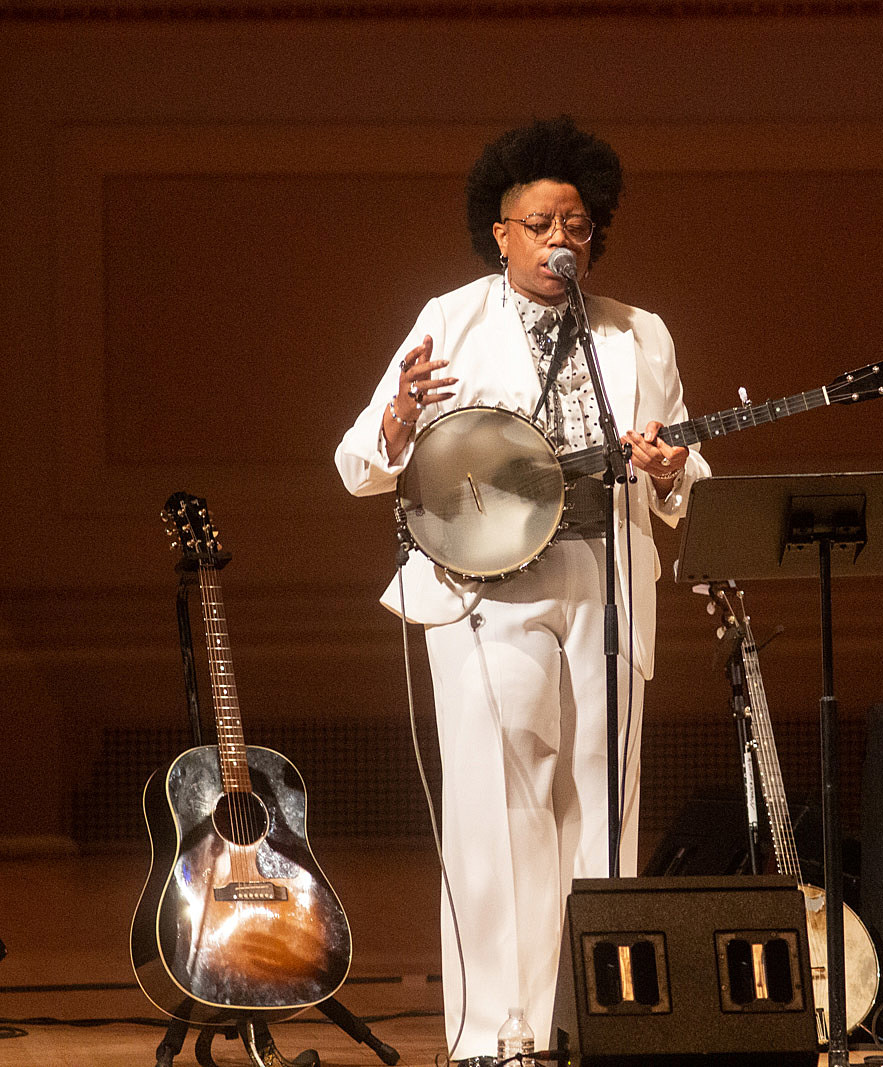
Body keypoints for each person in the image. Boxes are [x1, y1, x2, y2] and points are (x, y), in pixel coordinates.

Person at [334, 116, 710, 1063]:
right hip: (483, 589)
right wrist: (398, 418)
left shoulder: (637, 334)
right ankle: (496, 1034)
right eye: (539, 224)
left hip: (604, 575)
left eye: (577, 225)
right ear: (498, 232)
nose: (559, 241)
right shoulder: (447, 319)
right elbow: (355, 465)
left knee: (601, 800)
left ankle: (596, 1016)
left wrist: (668, 469)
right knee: (498, 807)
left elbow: (683, 479)